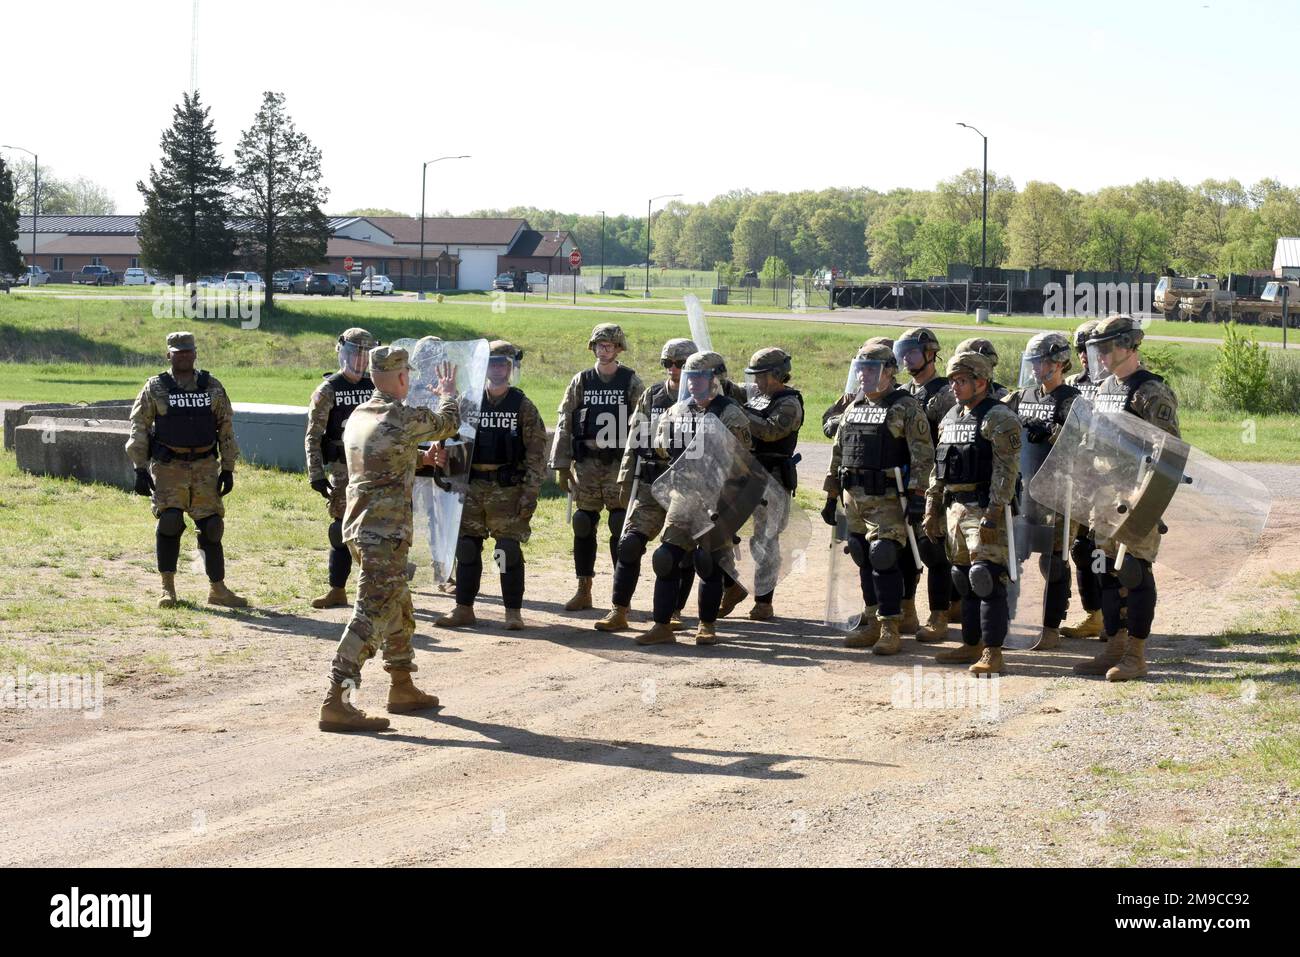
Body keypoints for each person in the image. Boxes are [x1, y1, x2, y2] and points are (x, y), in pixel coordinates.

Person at [318, 345, 461, 733]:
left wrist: (421, 460)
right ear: (402, 377)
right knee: (371, 613)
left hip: (360, 529)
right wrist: (449, 392)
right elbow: (448, 423)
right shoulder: (400, 415)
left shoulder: (359, 416)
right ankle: (337, 698)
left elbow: (379, 456)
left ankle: (402, 686)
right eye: (408, 376)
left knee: (397, 607)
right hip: (384, 533)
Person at [1074, 314, 1180, 682]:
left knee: (1134, 573)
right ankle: (1113, 647)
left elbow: (1170, 454)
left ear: (1128, 346)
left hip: (1137, 499)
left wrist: (1145, 500)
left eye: (1107, 347)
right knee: (1105, 572)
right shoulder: (1105, 390)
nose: (1100, 356)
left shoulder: (1150, 392)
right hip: (1103, 498)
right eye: (1097, 348)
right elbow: (1093, 443)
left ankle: (1136, 654)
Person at [822, 342, 934, 653]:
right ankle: (871, 621)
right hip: (853, 496)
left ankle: (890, 627)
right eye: (860, 370)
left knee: (883, 556)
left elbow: (923, 455)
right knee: (860, 553)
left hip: (888, 497)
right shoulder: (854, 409)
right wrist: (831, 496)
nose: (863, 376)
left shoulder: (906, 407)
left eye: (870, 370)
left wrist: (917, 495)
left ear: (888, 372)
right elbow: (839, 453)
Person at [638, 351, 752, 647]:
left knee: (707, 562)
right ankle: (662, 625)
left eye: (700, 377)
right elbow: (662, 448)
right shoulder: (676, 412)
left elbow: (742, 468)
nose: (693, 384)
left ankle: (707, 624)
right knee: (665, 559)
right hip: (683, 496)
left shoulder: (731, 415)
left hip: (718, 500)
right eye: (690, 377)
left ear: (716, 380)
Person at [125, 331, 246, 609]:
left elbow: (226, 427)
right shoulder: (155, 387)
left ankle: (218, 589)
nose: (183, 356)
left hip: (205, 466)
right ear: (168, 354)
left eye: (187, 351)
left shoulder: (212, 386)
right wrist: (139, 468)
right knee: (170, 522)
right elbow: (139, 426)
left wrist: (227, 468)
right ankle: (167, 589)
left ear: (195, 353)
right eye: (177, 351)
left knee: (212, 527)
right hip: (169, 467)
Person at [435, 341, 547, 631]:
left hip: (507, 490)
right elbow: (452, 439)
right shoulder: (469, 403)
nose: (497, 369)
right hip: (471, 488)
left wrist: (530, 494)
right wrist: (449, 479)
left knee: (506, 551)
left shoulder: (523, 406)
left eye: (503, 364)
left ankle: (512, 611)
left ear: (511, 369)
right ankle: (463, 609)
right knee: (467, 550)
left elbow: (536, 455)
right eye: (492, 363)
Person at [922, 350, 1022, 675]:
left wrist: (993, 512)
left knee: (986, 578)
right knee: (962, 579)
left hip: (984, 508)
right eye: (952, 380)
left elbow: (1006, 471)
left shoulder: (998, 417)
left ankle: (994, 652)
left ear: (981, 382)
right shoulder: (951, 416)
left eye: (961, 380)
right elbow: (938, 469)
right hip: (955, 509)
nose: (954, 386)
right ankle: (971, 643)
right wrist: (931, 507)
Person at [596, 337, 698, 633]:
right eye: (667, 363)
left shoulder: (704, 398)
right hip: (652, 483)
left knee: (677, 553)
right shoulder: (652, 395)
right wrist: (626, 479)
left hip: (688, 488)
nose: (672, 369)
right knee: (628, 545)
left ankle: (674, 611)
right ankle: (619, 610)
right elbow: (634, 438)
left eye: (679, 364)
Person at [549, 324, 644, 613]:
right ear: (594, 348)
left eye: (610, 346)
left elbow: (642, 421)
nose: (604, 350)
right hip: (587, 462)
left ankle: (620, 596)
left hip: (617, 464)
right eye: (600, 345)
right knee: (583, 523)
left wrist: (639, 465)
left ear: (619, 349)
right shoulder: (582, 380)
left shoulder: (630, 381)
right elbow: (565, 420)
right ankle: (583, 589)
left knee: (619, 525)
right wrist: (562, 465)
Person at [1002, 332, 1081, 650]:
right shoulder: (1020, 397)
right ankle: (1004, 623)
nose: (1038, 367)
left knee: (1054, 560)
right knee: (1012, 556)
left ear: (1061, 363)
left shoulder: (1072, 400)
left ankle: (1050, 629)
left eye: (1045, 361)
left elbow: (1084, 445)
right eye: (1034, 361)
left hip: (1058, 495)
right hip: (1023, 491)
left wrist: (1050, 432)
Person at [895, 327, 961, 639]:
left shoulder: (945, 393)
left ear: (931, 354)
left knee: (934, 550)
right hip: (905, 480)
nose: (907, 359)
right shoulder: (904, 393)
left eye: (914, 352)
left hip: (935, 482)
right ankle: (907, 611)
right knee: (905, 549)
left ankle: (940, 615)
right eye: (904, 352)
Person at [305, 327, 376, 609]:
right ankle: (337, 589)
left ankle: (377, 590)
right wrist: (316, 473)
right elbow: (313, 434)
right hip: (342, 468)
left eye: (363, 355)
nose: (358, 360)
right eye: (353, 353)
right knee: (341, 529)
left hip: (375, 467)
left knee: (375, 530)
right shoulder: (328, 389)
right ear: (341, 353)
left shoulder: (376, 386)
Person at [741, 347, 804, 620]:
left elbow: (769, 431)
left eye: (761, 376)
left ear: (777, 374)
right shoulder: (757, 397)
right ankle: (730, 588)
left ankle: (764, 601)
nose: (756, 382)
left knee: (765, 540)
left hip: (773, 479)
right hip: (745, 474)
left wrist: (738, 413)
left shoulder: (789, 403)